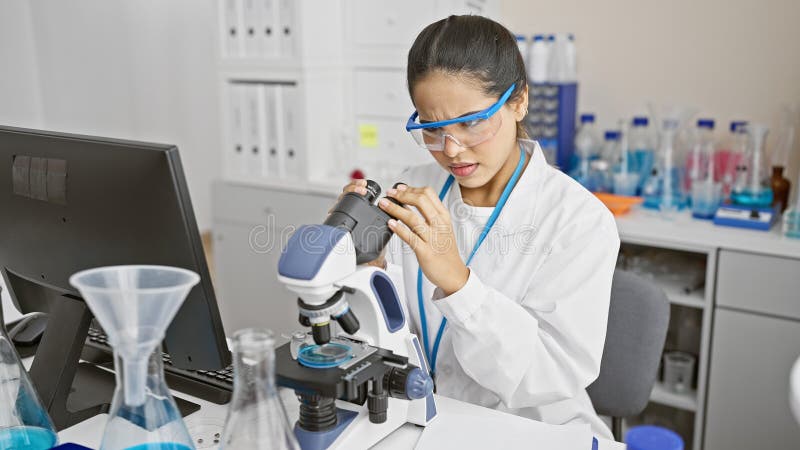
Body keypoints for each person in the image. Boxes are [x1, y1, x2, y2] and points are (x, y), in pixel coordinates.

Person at [340, 15, 619, 438]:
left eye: (471, 122)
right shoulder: (414, 189)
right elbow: (380, 340)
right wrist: (362, 267)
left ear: (519, 101)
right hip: (426, 420)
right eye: (432, 129)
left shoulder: (578, 220)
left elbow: (548, 374)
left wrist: (458, 283)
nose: (452, 149)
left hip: (533, 432)